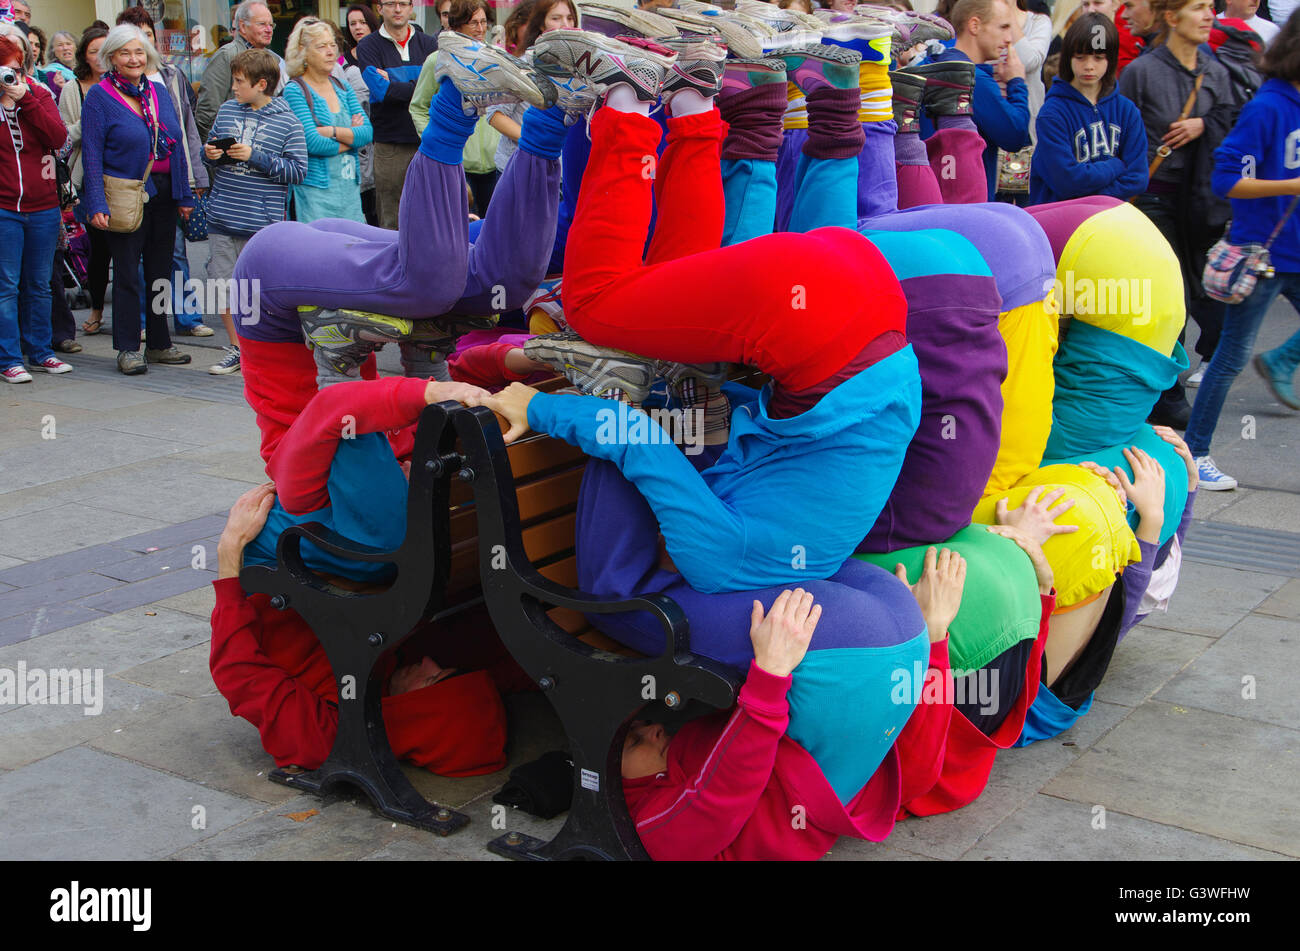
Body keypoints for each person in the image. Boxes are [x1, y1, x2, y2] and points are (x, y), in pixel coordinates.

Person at [477, 30, 922, 595]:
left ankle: (693, 100)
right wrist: (538, 408)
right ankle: (628, 100)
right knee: (593, 305)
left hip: (871, 290)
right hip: (815, 327)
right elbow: (638, 443)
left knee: (662, 293)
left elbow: (783, 427)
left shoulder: (816, 553)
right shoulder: (727, 564)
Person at [231, 31, 563, 459]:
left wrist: (429, 393)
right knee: (500, 287)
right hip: (311, 269)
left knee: (428, 287)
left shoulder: (295, 473)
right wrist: (538, 353)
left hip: (268, 281)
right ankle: (556, 112)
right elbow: (463, 366)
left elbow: (333, 414)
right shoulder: (423, 447)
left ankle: (454, 100)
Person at [211, 479, 520, 778]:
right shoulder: (395, 684)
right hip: (333, 577)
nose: (428, 663)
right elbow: (506, 664)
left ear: (417, 713)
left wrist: (229, 551)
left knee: (325, 469)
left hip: (269, 585)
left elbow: (237, 671)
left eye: (433, 678)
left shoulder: (324, 738)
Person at [1184, 18, 1300, 490]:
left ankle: (1279, 363)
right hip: (1264, 255)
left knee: (1233, 355)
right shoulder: (1269, 107)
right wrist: (1291, 184)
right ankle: (1196, 451)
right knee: (1230, 356)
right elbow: (1225, 180)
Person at [1119, 0, 1233, 428]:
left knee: (1212, 297)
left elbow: (1236, 119)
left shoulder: (1215, 69)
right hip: (1152, 198)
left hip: (1200, 199)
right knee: (1173, 303)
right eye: (1200, 8)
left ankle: (1196, 373)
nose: (1209, 16)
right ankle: (1167, 397)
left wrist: (1204, 125)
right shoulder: (1142, 72)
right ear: (1171, 17)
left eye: (1211, 9)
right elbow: (1123, 132)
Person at [79, 24, 195, 375]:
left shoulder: (158, 91)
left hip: (162, 192)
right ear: (111, 58)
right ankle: (128, 347)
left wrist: (184, 194)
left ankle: (160, 343)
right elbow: (92, 153)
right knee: (128, 272)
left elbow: (177, 145)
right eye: (126, 53)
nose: (134, 59)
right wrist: (96, 202)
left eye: (140, 52)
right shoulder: (100, 97)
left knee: (160, 271)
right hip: (123, 193)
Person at [203, 48, 307, 376]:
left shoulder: (288, 121)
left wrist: (254, 156)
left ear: (261, 84)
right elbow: (210, 153)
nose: (233, 87)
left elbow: (297, 171)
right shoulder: (227, 110)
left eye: (238, 81)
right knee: (221, 285)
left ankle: (259, 351)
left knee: (257, 292)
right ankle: (236, 349)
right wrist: (211, 153)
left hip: (260, 224)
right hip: (222, 215)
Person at [116, 5, 212, 339]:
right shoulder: (109, 88)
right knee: (138, 257)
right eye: (132, 39)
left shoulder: (170, 76)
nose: (139, 49)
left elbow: (187, 129)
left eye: (146, 37)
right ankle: (144, 321)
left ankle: (187, 317)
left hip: (172, 176)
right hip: (132, 184)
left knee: (175, 252)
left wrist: (195, 179)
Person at [0, 32, 71, 383]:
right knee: (6, 286)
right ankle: (9, 357)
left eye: (13, 67)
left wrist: (25, 99)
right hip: (4, 208)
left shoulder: (39, 93)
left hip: (43, 206)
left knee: (39, 284)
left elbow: (58, 138)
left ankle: (41, 351)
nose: (8, 76)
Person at [1029, 13, 1148, 203]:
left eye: (1098, 58)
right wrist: (1116, 166)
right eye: (1080, 57)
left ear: (1110, 60)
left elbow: (1138, 178)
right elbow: (1067, 182)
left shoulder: (1127, 111)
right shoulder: (1052, 113)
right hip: (1063, 220)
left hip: (1110, 221)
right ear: (1068, 58)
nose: (1089, 66)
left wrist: (1093, 195)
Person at [928, 0, 1031, 200]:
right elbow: (1015, 135)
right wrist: (1017, 82)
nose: (1009, 39)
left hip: (939, 196)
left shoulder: (937, 63)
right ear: (974, 25)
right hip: (968, 200)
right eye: (1003, 27)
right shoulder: (973, 78)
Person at [355, 0, 438, 228]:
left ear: (412, 7)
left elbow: (437, 88)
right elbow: (382, 92)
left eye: (403, 3)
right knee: (391, 218)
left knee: (429, 214)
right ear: (379, 8)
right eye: (391, 3)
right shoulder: (368, 46)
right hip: (390, 145)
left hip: (426, 140)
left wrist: (394, 81)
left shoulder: (430, 44)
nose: (398, 9)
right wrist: (419, 83)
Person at [284, 17, 372, 224]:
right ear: (303, 52)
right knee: (319, 251)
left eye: (332, 45)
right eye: (321, 46)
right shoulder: (295, 90)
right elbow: (312, 142)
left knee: (353, 248)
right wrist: (351, 137)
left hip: (349, 188)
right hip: (316, 193)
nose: (331, 51)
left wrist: (332, 132)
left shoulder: (342, 86)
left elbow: (367, 133)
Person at [486, 0, 574, 176]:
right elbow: (494, 114)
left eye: (570, 18)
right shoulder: (524, 65)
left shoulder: (577, 69)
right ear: (541, 24)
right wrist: (531, 139)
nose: (565, 24)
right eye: (556, 18)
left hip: (558, 171)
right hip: (519, 168)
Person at [60, 27, 109, 340]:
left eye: (106, 50)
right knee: (100, 250)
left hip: (123, 177)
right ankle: (97, 309)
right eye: (94, 51)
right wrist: (93, 113)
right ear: (84, 57)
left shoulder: (130, 85)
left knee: (132, 252)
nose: (101, 57)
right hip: (88, 178)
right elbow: (63, 138)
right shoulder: (72, 89)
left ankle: (141, 317)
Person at [195, 1, 287, 140]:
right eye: (262, 24)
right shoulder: (227, 55)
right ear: (243, 27)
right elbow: (207, 111)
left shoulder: (274, 60)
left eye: (271, 25)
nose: (269, 29)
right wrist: (218, 150)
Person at [342, 2, 380, 69]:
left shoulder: (386, 53)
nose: (357, 27)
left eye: (363, 22)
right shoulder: (342, 60)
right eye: (353, 24)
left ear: (371, 24)